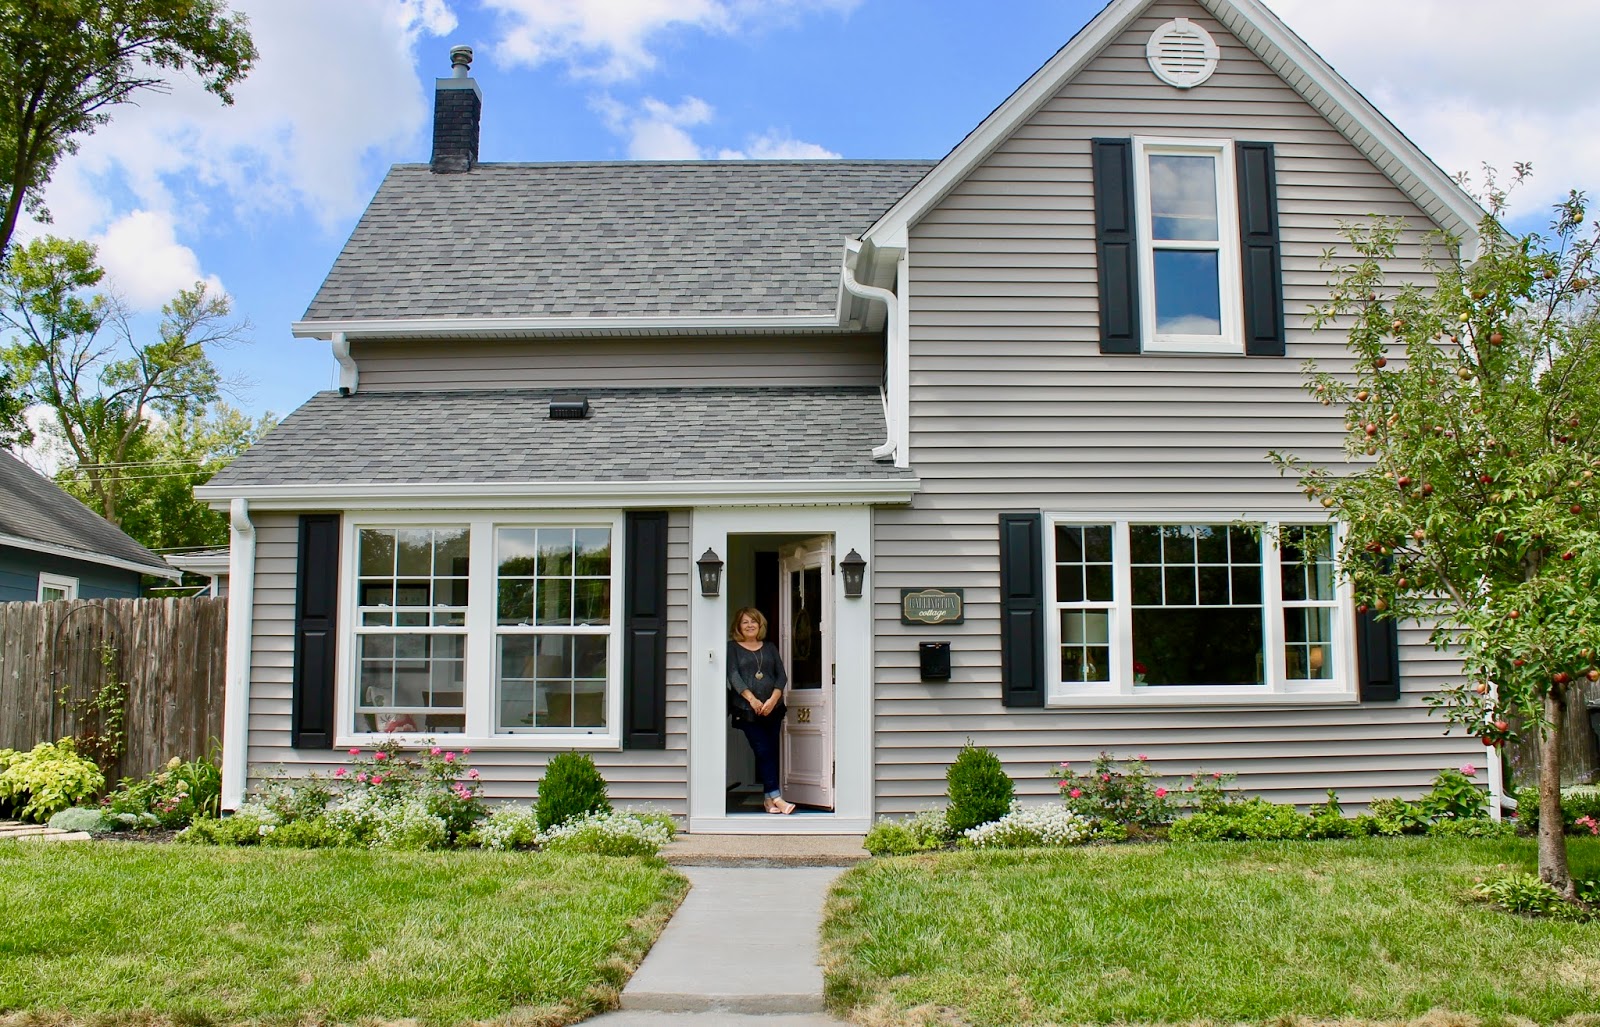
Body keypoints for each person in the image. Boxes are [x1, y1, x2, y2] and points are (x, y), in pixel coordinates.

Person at [727, 606, 794, 814]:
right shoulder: (732, 648)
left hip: (772, 709)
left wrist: (773, 699)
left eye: (753, 621)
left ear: (760, 625)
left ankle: (768, 800)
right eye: (745, 622)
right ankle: (777, 797)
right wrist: (752, 700)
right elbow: (733, 675)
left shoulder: (770, 647)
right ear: (738, 626)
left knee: (770, 752)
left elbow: (781, 676)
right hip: (747, 710)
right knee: (762, 750)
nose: (749, 625)